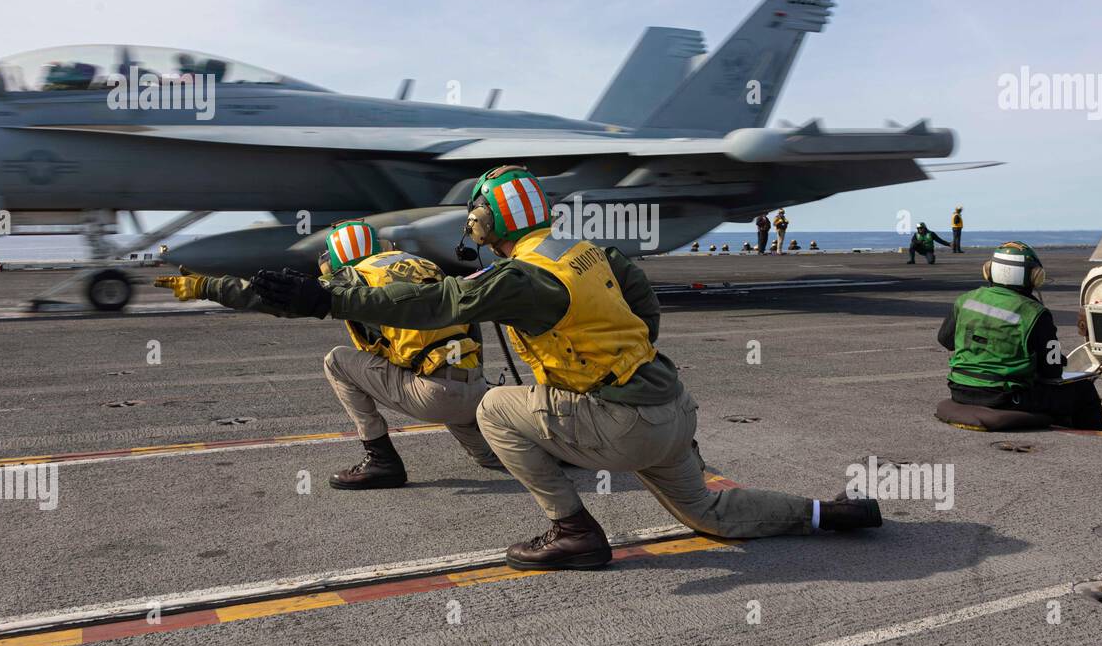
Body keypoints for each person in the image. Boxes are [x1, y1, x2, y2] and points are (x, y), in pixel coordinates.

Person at [249, 166, 881, 571]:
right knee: (708, 514)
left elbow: (440, 300)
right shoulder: (587, 251)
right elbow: (644, 303)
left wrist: (327, 297)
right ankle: (829, 513)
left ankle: (573, 531)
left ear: (487, 222)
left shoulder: (521, 277)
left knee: (496, 406)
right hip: (670, 406)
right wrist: (613, 361)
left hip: (622, 423)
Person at [154, 220, 501, 489]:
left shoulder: (354, 277)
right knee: (490, 456)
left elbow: (271, 299)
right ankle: (518, 449)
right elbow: (468, 326)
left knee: (337, 360)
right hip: (475, 392)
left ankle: (381, 460)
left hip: (432, 397)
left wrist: (207, 286)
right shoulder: (426, 267)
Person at [936, 242, 1102, 430]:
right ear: (1034, 277)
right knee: (1083, 390)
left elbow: (945, 340)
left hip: (959, 390)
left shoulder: (965, 300)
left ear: (989, 271)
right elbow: (1052, 371)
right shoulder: (1035, 313)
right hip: (1004, 397)